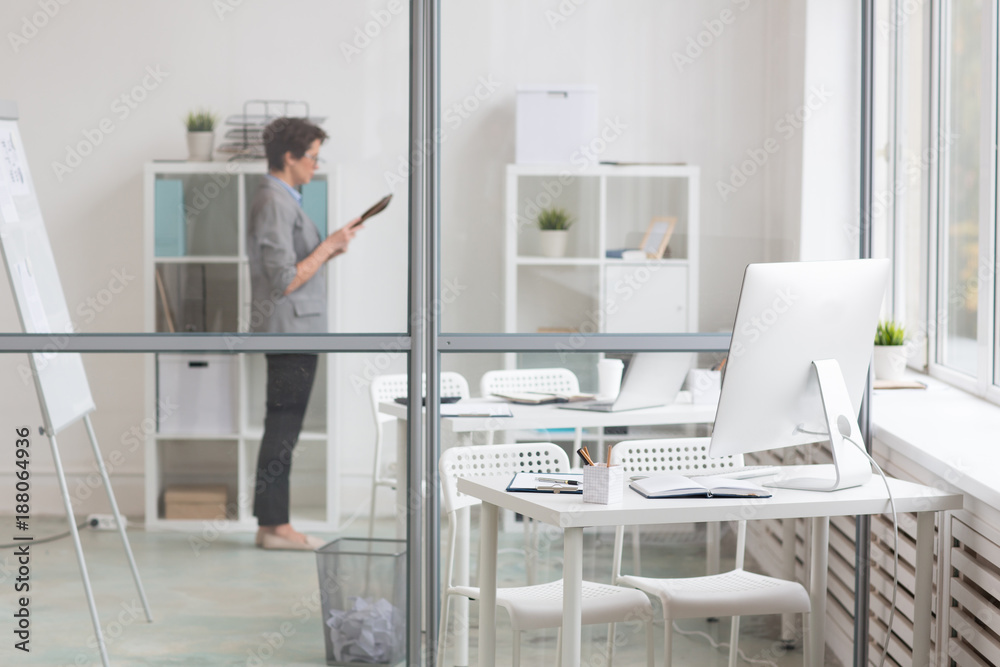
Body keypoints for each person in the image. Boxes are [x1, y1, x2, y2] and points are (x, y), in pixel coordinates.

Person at [248, 117, 361, 550]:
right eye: (312, 156)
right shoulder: (274, 201)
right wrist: (328, 245)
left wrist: (330, 250)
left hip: (298, 330)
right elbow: (284, 279)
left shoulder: (284, 199)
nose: (316, 164)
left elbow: (295, 268)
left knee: (283, 426)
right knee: (282, 428)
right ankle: (276, 527)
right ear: (289, 157)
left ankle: (271, 525)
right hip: (290, 332)